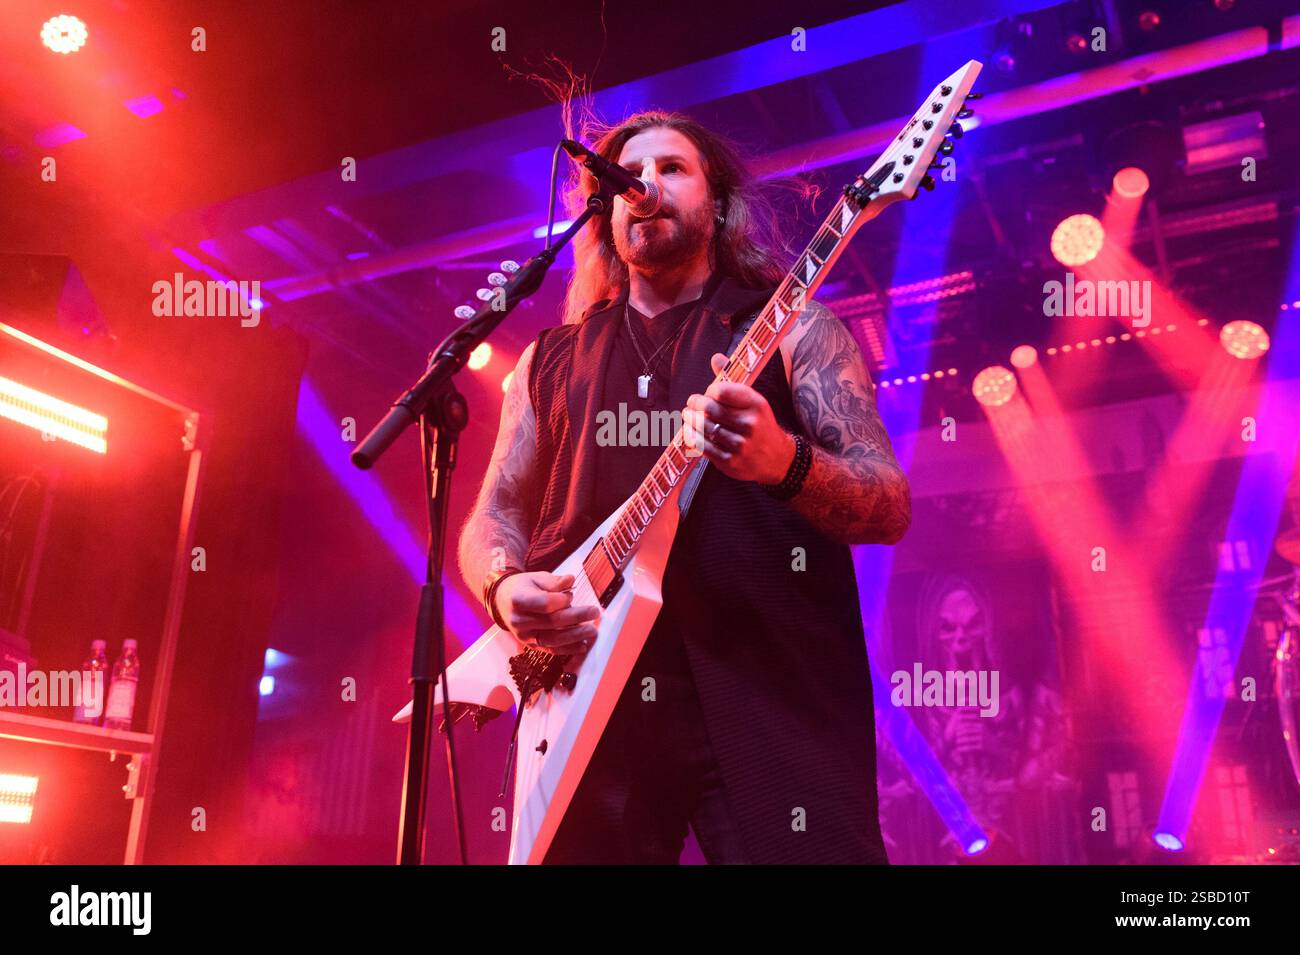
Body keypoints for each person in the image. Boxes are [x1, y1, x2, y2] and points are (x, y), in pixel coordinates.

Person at [458, 110, 911, 863]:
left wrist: (784, 461)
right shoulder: (546, 361)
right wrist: (505, 590)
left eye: (674, 168)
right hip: (588, 705)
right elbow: (492, 515)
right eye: (630, 175)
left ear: (721, 203)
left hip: (765, 688)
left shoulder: (794, 329)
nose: (647, 185)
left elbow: (887, 502)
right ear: (604, 209)